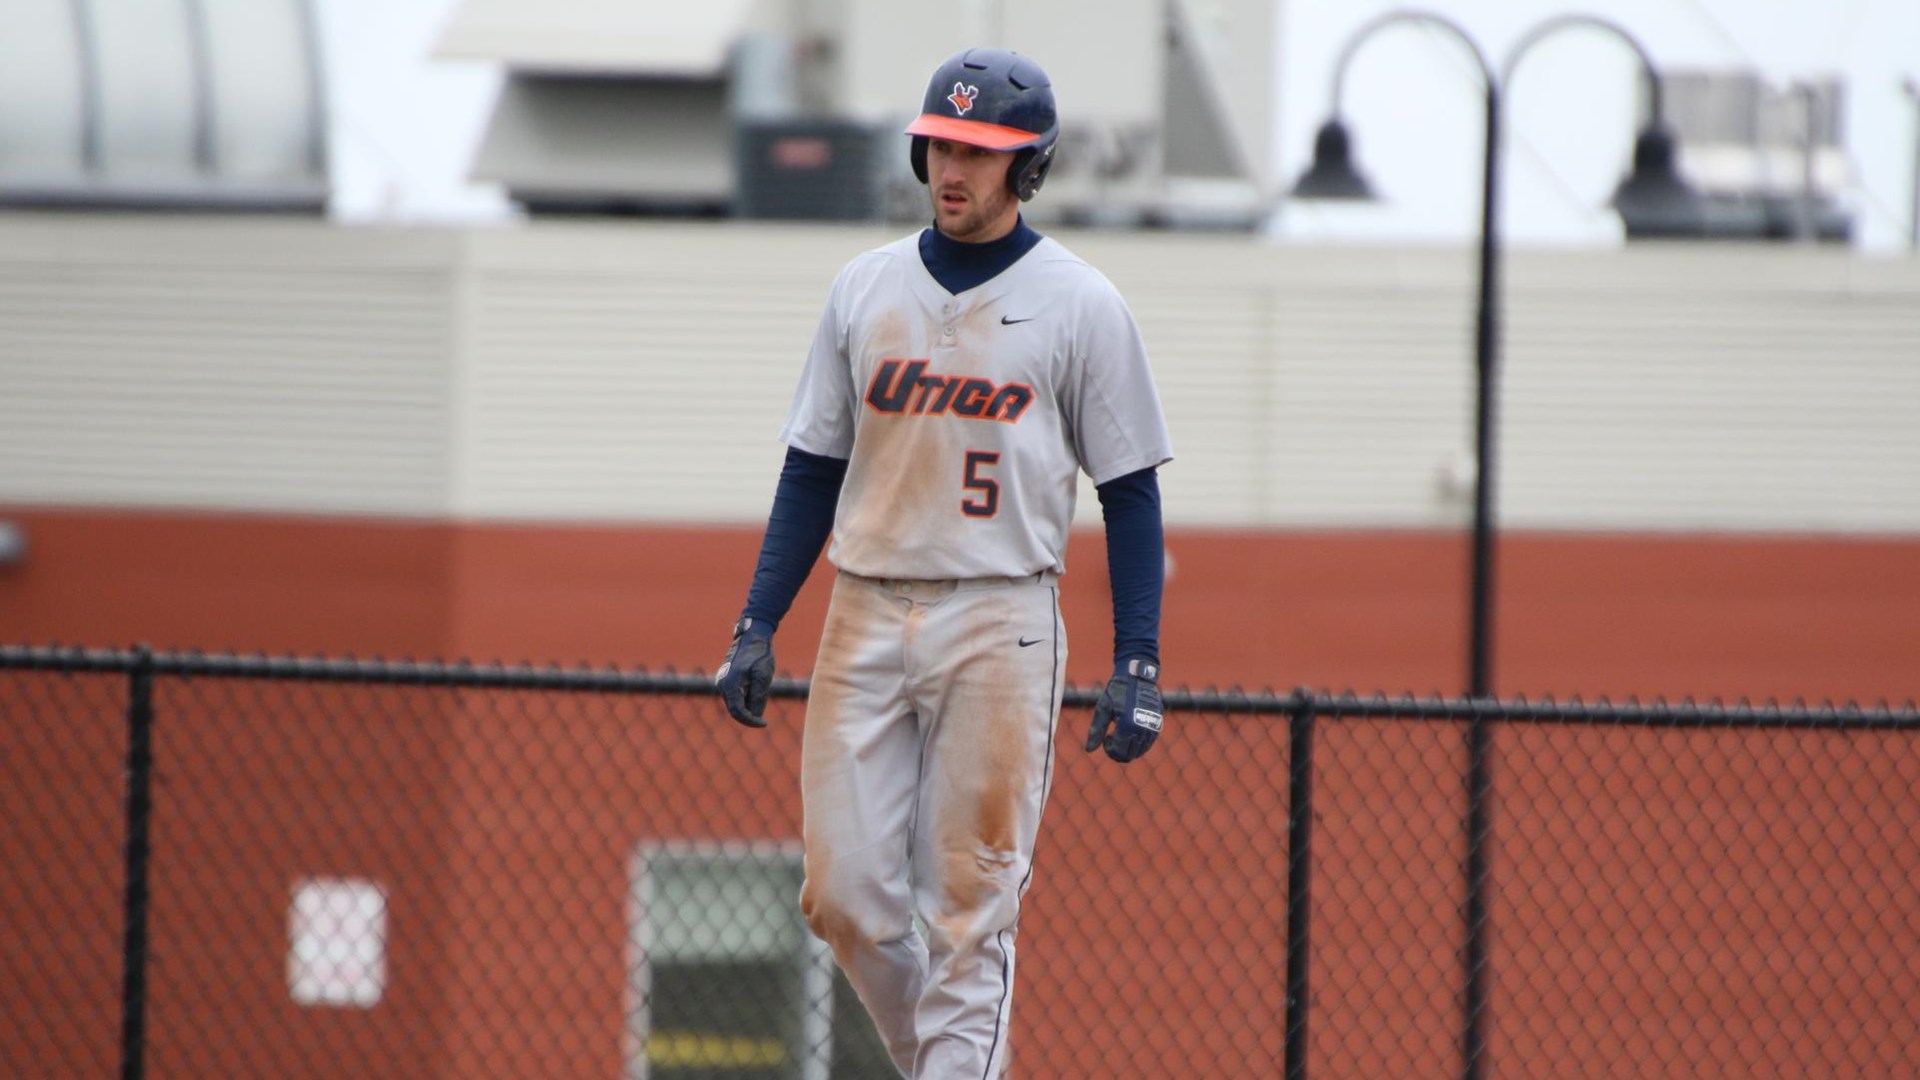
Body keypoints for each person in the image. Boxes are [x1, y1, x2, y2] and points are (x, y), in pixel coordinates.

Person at [715, 45, 1173, 1079]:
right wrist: (758, 621)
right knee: (844, 901)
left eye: (981, 150)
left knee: (971, 909)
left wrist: (1137, 658)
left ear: (1030, 166)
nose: (953, 169)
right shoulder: (864, 287)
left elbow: (1131, 488)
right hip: (865, 606)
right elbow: (810, 467)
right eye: (940, 147)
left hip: (1000, 616)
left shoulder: (1081, 301)